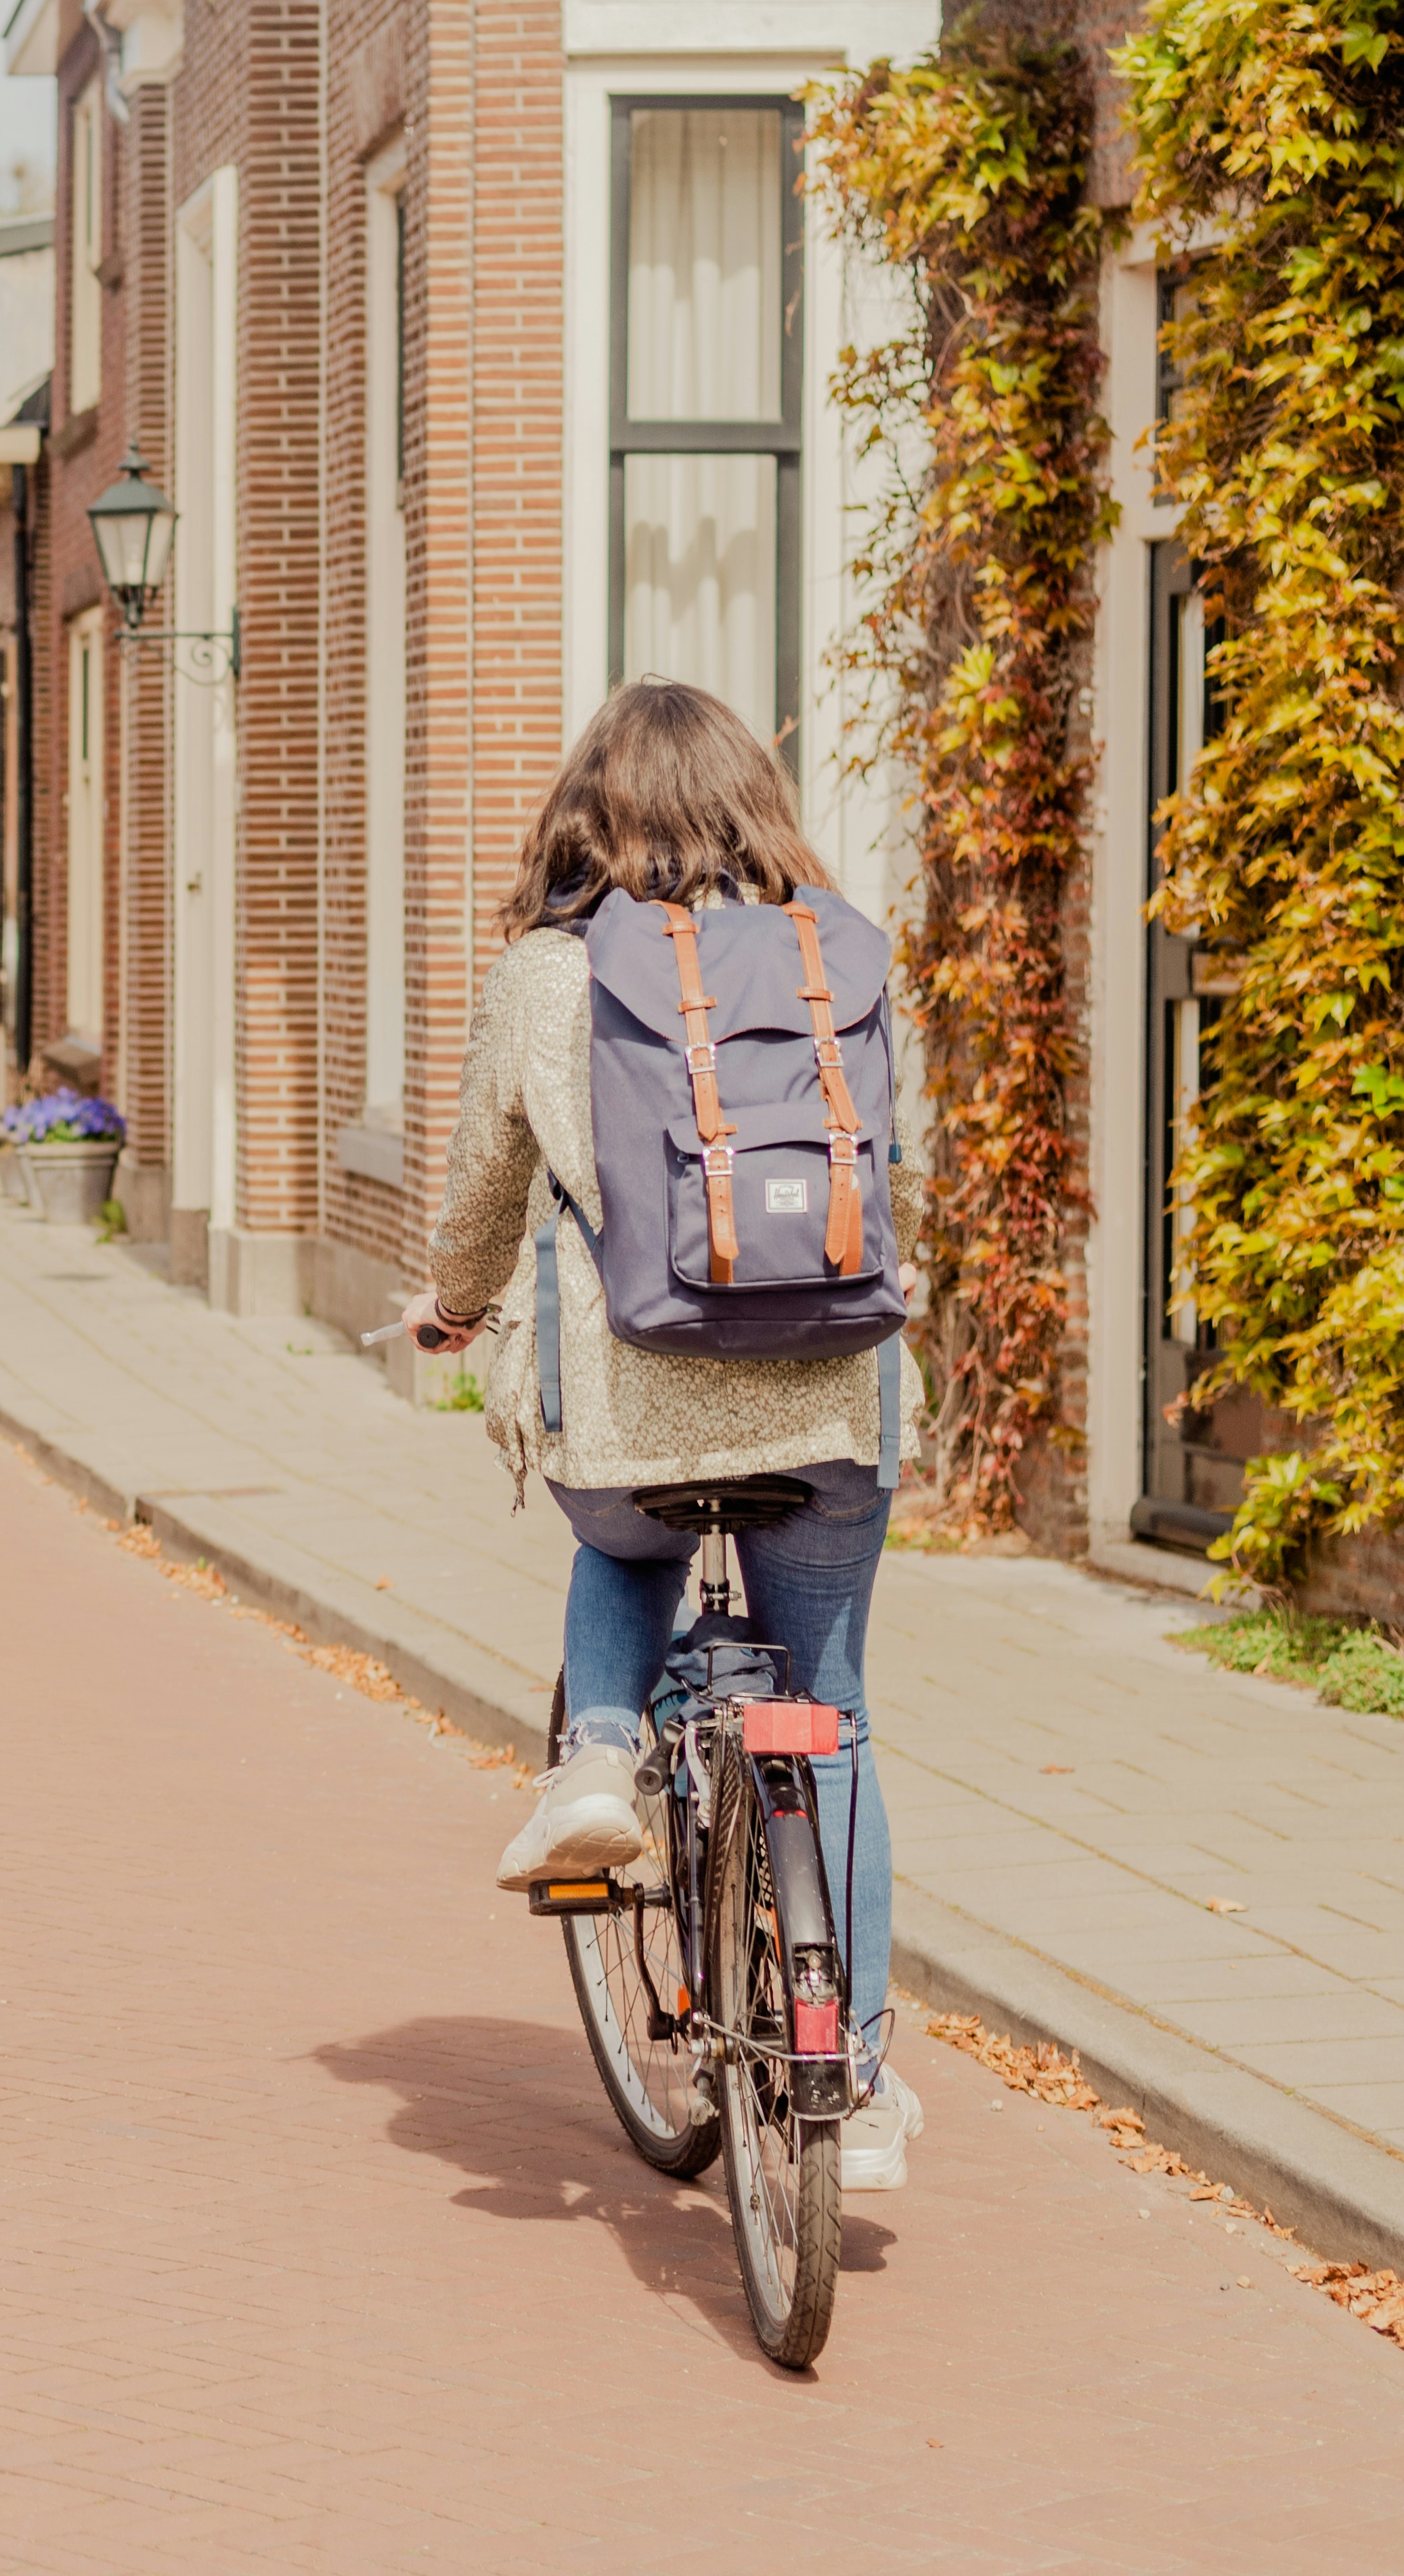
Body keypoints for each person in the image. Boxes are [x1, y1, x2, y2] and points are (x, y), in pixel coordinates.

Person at [401, 677, 926, 2191]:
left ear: (585, 812)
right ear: (757, 804)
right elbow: (893, 1167)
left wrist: (453, 1303)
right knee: (832, 1713)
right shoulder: (838, 953)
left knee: (621, 1534)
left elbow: (481, 1190)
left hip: (630, 1404)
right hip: (829, 1399)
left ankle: (600, 1753)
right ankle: (855, 2082)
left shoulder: (543, 974)